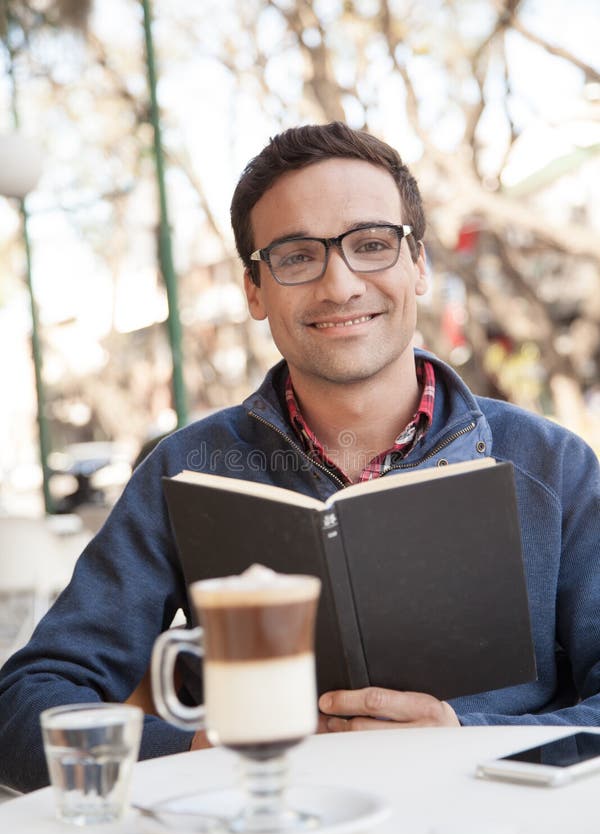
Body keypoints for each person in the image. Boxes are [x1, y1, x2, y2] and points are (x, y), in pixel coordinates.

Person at [1, 122, 599, 793]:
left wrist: (460, 739)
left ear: (419, 265)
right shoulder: (184, 471)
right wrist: (202, 746)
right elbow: (23, 705)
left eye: (372, 245)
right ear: (255, 291)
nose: (340, 285)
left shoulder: (554, 467)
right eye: (295, 257)